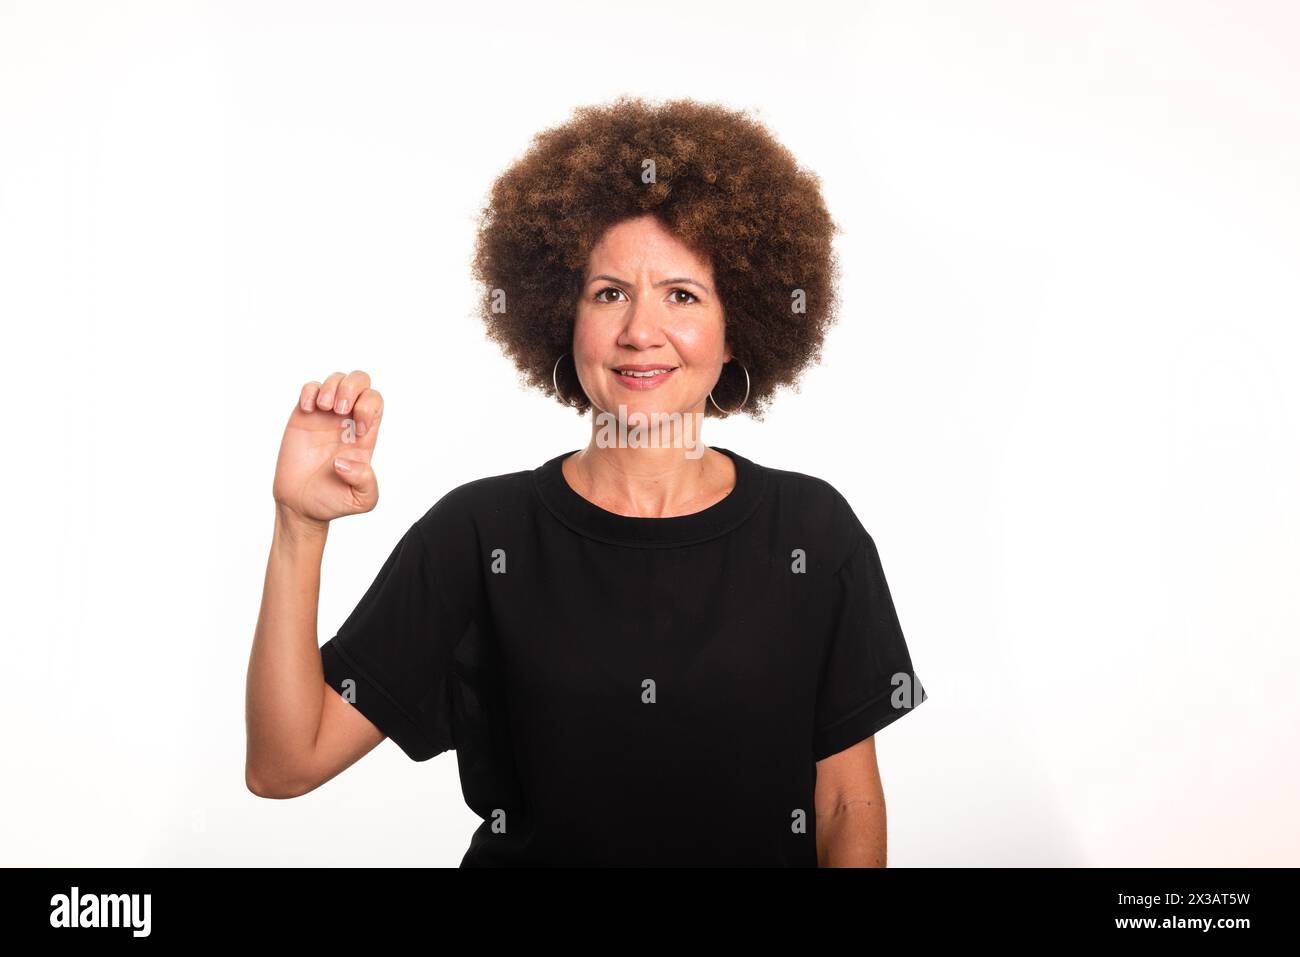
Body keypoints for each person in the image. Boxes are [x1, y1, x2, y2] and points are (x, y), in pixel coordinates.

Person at [245, 96, 928, 867]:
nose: (641, 330)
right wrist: (299, 526)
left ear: (737, 326)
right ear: (561, 318)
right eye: (609, 293)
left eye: (682, 294)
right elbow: (284, 762)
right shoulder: (481, 533)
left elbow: (845, 799)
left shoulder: (813, 531)